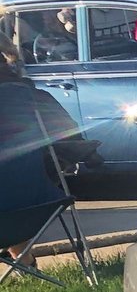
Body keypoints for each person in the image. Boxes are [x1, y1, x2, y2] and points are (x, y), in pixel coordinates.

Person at [0, 33, 83, 276]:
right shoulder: (33, 97)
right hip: (36, 206)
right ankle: (25, 266)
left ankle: (25, 266)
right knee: (15, 182)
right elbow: (74, 140)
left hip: (14, 210)